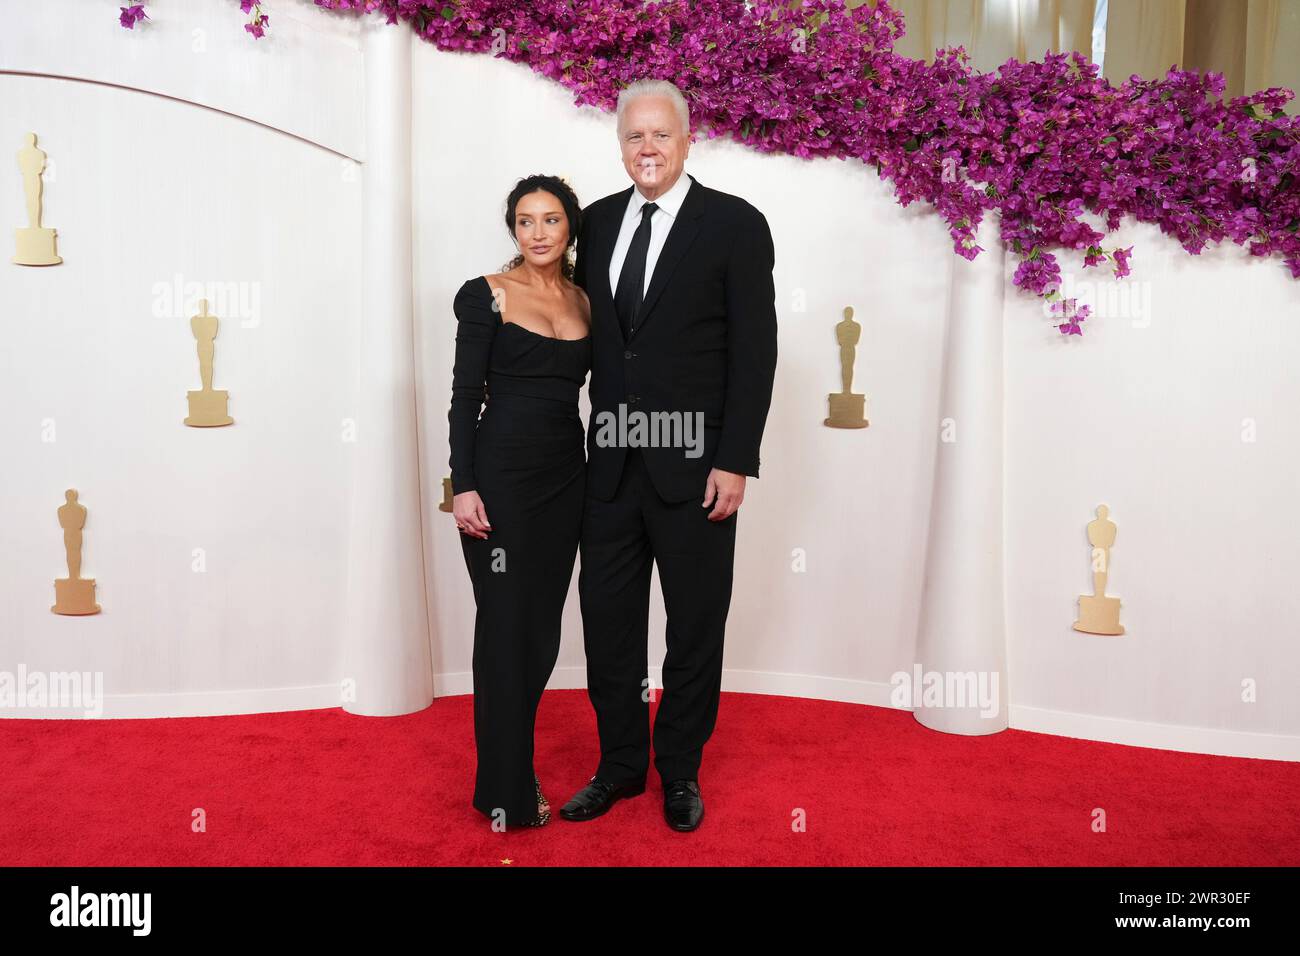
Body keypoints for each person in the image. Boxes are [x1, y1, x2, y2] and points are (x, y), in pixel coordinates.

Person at [560, 79, 778, 831]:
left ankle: (679, 770)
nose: (646, 148)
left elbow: (755, 353)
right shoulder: (593, 223)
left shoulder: (735, 225)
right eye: (632, 137)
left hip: (696, 467)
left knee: (693, 626)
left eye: (659, 135)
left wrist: (735, 458)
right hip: (612, 465)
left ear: (688, 140)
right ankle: (620, 767)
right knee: (608, 626)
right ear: (620, 146)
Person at [448, 175, 591, 828]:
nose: (537, 233)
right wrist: (464, 485)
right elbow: (463, 397)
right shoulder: (486, 297)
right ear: (514, 229)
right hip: (499, 480)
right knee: (504, 630)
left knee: (539, 635)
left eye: (551, 220)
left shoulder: (588, 302)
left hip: (567, 479)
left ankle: (508, 764)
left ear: (570, 229)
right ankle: (504, 786)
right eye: (525, 221)